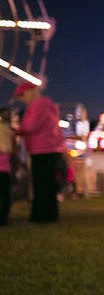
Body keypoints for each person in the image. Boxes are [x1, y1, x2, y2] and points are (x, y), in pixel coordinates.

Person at [13, 82, 65, 223]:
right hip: (53, 148)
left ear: (28, 92)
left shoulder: (37, 105)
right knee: (49, 184)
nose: (22, 100)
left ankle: (38, 216)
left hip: (41, 149)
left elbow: (30, 126)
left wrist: (18, 130)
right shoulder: (48, 104)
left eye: (21, 96)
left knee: (40, 184)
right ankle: (51, 215)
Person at [0, 107, 12, 226]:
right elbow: (9, 149)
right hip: (4, 168)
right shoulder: (6, 130)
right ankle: (3, 217)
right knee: (5, 194)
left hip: (4, 167)